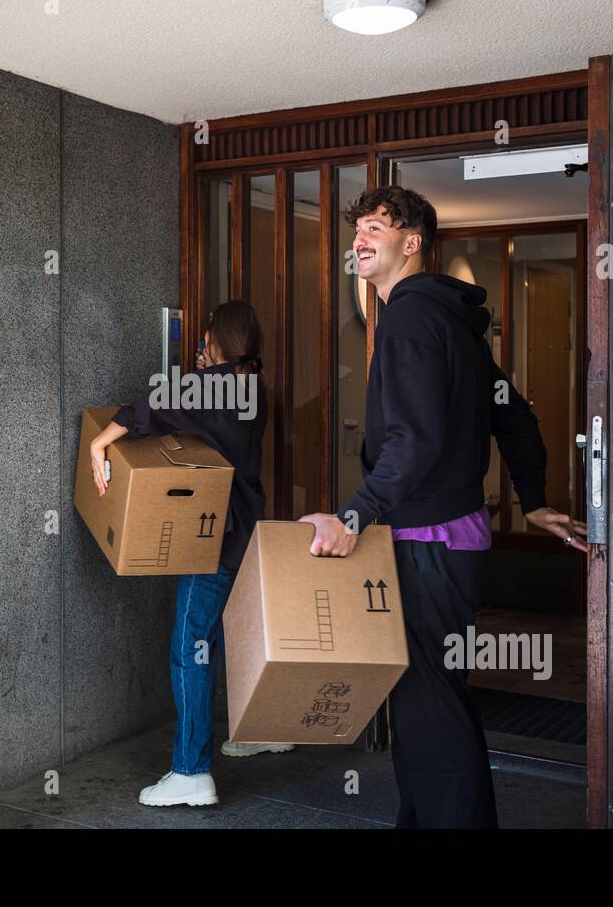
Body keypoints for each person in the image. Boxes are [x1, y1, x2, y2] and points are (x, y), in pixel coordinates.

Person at [297, 185, 587, 829]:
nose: (361, 239)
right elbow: (515, 414)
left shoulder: (408, 316)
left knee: (430, 702)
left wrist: (354, 516)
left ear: (413, 241)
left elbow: (415, 438)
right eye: (358, 229)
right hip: (451, 537)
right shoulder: (451, 322)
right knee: (431, 696)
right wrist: (533, 501)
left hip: (426, 541)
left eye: (377, 226)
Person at [88, 300, 285, 808]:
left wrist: (99, 443)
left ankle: (192, 771)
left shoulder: (217, 387)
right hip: (243, 529)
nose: (199, 350)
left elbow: (151, 406)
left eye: (204, 342)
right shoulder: (251, 388)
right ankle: (249, 730)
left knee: (188, 646)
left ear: (217, 341)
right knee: (218, 641)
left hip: (213, 537)